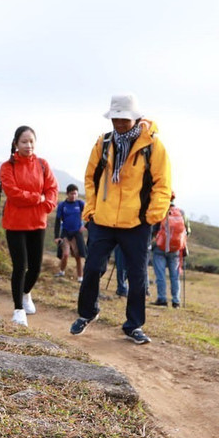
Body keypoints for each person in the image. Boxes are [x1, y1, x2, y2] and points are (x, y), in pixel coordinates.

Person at [71, 94, 172, 344]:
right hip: (103, 220)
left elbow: (163, 184)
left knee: (136, 277)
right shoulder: (103, 142)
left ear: (136, 118)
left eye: (124, 119)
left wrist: (152, 216)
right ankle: (87, 313)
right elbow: (90, 178)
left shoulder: (153, 146)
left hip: (136, 223)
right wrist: (91, 210)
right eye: (115, 118)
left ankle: (133, 325)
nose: (119, 123)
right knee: (93, 268)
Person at [0, 126, 58, 326]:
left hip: (38, 222)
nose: (28, 145)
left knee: (35, 268)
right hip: (15, 224)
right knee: (19, 266)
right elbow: (14, 194)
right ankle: (18, 309)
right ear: (16, 143)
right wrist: (37, 198)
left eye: (31, 141)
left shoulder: (42, 164)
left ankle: (25, 293)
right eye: (24, 142)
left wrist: (47, 202)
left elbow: (52, 188)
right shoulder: (8, 167)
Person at [150, 194, 189, 307]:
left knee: (160, 274)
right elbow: (188, 230)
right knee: (175, 275)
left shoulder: (161, 211)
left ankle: (162, 299)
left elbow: (153, 230)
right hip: (176, 249)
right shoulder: (181, 213)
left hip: (160, 248)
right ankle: (176, 301)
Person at [54, 184, 86, 280]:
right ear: (67, 194)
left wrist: (85, 226)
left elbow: (90, 214)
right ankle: (61, 272)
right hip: (66, 232)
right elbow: (57, 221)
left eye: (75, 194)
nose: (73, 196)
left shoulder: (80, 203)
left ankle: (80, 277)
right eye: (71, 194)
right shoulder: (62, 205)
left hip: (77, 233)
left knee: (78, 256)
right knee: (66, 254)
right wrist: (56, 236)